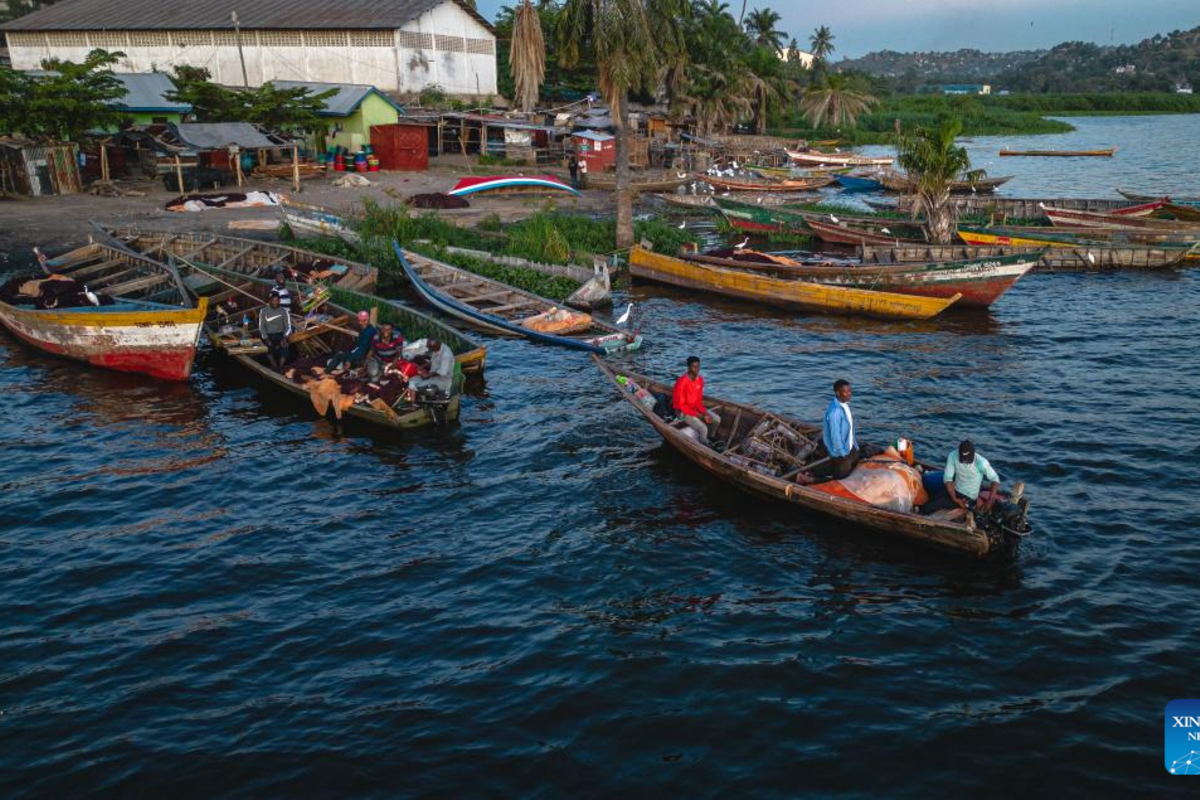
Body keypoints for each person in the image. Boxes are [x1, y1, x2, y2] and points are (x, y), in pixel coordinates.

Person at [800, 379, 858, 483]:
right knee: (840, 480)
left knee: (841, 469)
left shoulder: (844, 405)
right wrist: (842, 453)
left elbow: (849, 430)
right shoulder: (835, 412)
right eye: (846, 392)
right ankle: (807, 479)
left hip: (847, 448)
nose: (849, 394)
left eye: (850, 391)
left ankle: (811, 473)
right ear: (838, 393)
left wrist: (854, 445)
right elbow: (835, 436)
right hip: (840, 452)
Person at [924, 440, 1001, 514]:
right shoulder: (953, 456)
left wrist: (990, 500)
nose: (965, 462)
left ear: (974, 454)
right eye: (963, 459)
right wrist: (954, 498)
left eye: (968, 459)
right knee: (928, 502)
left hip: (969, 497)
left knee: (928, 508)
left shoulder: (981, 462)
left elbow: (995, 479)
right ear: (958, 452)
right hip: (955, 491)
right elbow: (948, 478)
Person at [672, 356, 720, 442]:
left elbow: (698, 402)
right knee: (703, 428)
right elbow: (682, 406)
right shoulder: (681, 383)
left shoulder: (700, 380)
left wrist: (705, 413)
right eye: (694, 367)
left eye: (698, 366)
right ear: (689, 368)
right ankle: (703, 445)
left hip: (694, 408)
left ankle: (711, 437)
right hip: (682, 411)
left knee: (716, 419)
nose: (696, 369)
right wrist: (701, 416)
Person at [258, 294, 292, 371]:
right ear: (270, 301)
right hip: (268, 334)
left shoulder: (284, 311)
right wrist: (266, 338)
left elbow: (288, 326)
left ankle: (280, 367)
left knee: (285, 347)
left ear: (279, 301)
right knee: (268, 348)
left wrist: (285, 337)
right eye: (273, 300)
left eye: (277, 300)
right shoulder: (263, 311)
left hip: (280, 334)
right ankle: (274, 365)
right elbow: (261, 327)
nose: (275, 302)